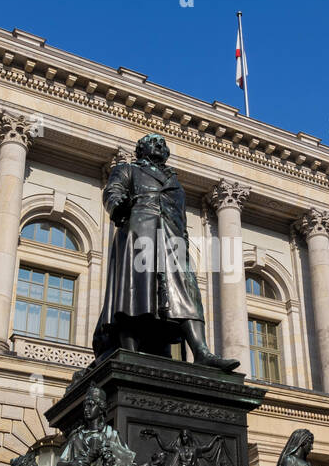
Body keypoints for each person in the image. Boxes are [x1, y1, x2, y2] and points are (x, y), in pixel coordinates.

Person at [92, 133, 239, 371]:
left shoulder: (174, 180)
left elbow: (180, 216)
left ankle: (201, 351)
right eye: (154, 142)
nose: (160, 145)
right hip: (140, 232)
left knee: (188, 291)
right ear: (141, 149)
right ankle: (128, 350)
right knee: (135, 291)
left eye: (163, 143)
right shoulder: (128, 169)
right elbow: (113, 192)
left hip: (172, 239)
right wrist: (119, 205)